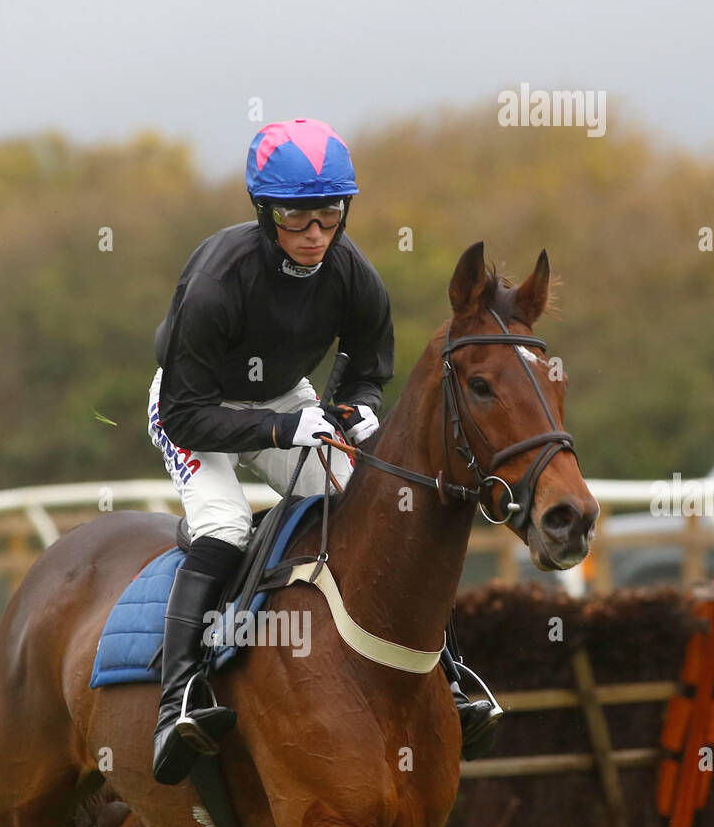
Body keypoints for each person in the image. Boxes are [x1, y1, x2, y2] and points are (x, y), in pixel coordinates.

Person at [147, 117, 499, 785]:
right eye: (296, 219)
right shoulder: (220, 281)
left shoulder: (351, 272)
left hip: (285, 397)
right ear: (263, 212)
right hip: (190, 405)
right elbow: (187, 416)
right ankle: (178, 700)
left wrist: (352, 409)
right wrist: (285, 431)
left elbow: (368, 366)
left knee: (371, 509)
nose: (314, 235)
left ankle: (450, 676)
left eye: (328, 216)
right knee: (222, 523)